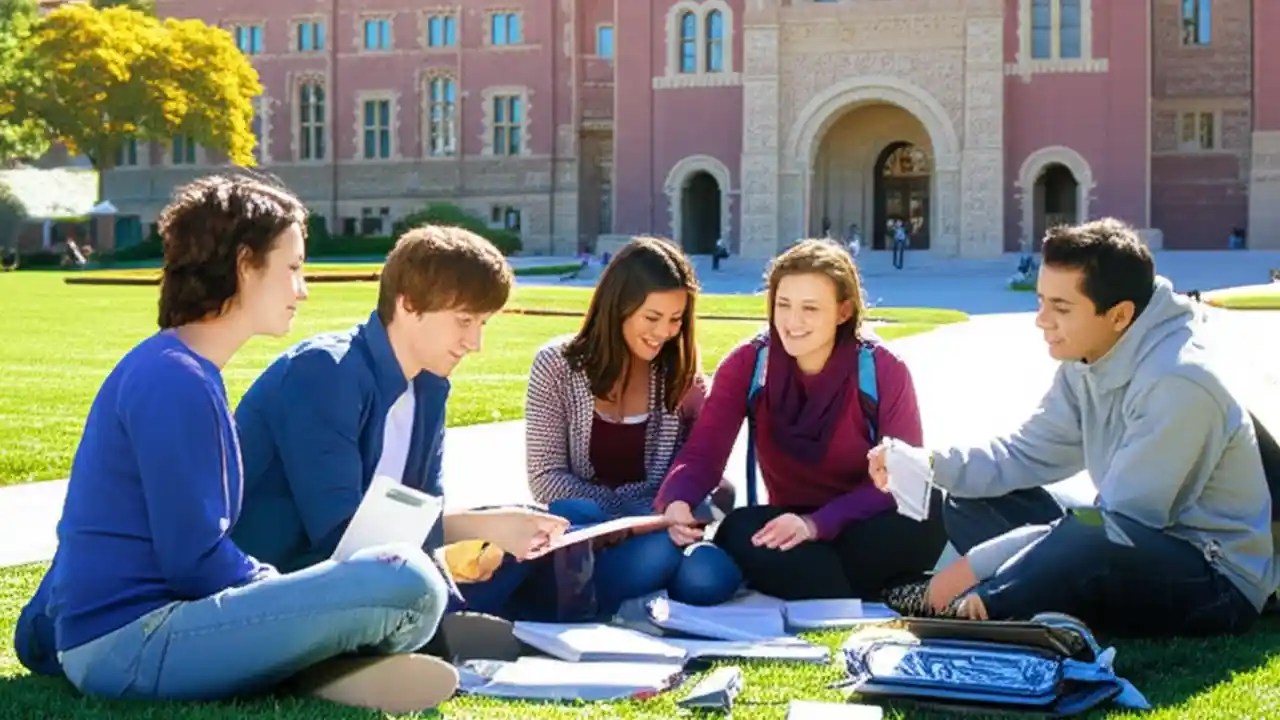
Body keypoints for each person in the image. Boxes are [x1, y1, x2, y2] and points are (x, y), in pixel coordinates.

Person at [13, 175, 459, 713]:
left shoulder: (184, 370)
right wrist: (287, 593)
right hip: (132, 643)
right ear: (245, 265)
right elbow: (195, 562)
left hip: (141, 634)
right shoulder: (173, 378)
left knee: (393, 577)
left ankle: (311, 669)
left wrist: (296, 600)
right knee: (407, 579)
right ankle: (317, 667)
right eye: (292, 268)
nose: (303, 288)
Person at [871, 218, 1279, 637]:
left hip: (1215, 580)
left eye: (1061, 308)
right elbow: (1024, 454)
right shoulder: (1087, 354)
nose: (1041, 321)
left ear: (1119, 315)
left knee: (1086, 535)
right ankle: (1013, 593)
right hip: (1121, 537)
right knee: (973, 498)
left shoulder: (1180, 380)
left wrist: (970, 568)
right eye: (1041, 301)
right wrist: (928, 464)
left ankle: (983, 605)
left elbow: (1118, 522)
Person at [230, 226, 567, 635]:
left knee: (543, 538)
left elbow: (423, 508)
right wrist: (475, 527)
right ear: (409, 304)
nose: (474, 342)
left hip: (369, 574)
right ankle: (435, 629)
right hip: (278, 581)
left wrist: (490, 537)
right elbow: (340, 532)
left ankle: (463, 621)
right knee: (416, 579)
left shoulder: (427, 389)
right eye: (464, 320)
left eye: (482, 323)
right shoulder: (325, 371)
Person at [654, 239, 948, 601]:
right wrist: (677, 501)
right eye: (783, 304)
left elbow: (903, 480)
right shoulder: (748, 363)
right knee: (738, 529)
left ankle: (826, 588)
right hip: (788, 522)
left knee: (934, 509)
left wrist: (817, 525)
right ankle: (872, 592)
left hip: (863, 518)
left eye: (810, 308)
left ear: (843, 312)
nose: (793, 322)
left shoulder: (884, 368)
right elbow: (704, 452)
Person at [525, 237, 744, 617]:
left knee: (710, 577)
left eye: (676, 319)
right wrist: (628, 522)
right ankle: (618, 582)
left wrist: (668, 514)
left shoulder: (684, 379)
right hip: (589, 523)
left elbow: (701, 469)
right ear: (619, 308)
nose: (664, 332)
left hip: (659, 521)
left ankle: (598, 588)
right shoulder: (555, 366)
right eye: (652, 318)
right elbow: (545, 477)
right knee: (577, 509)